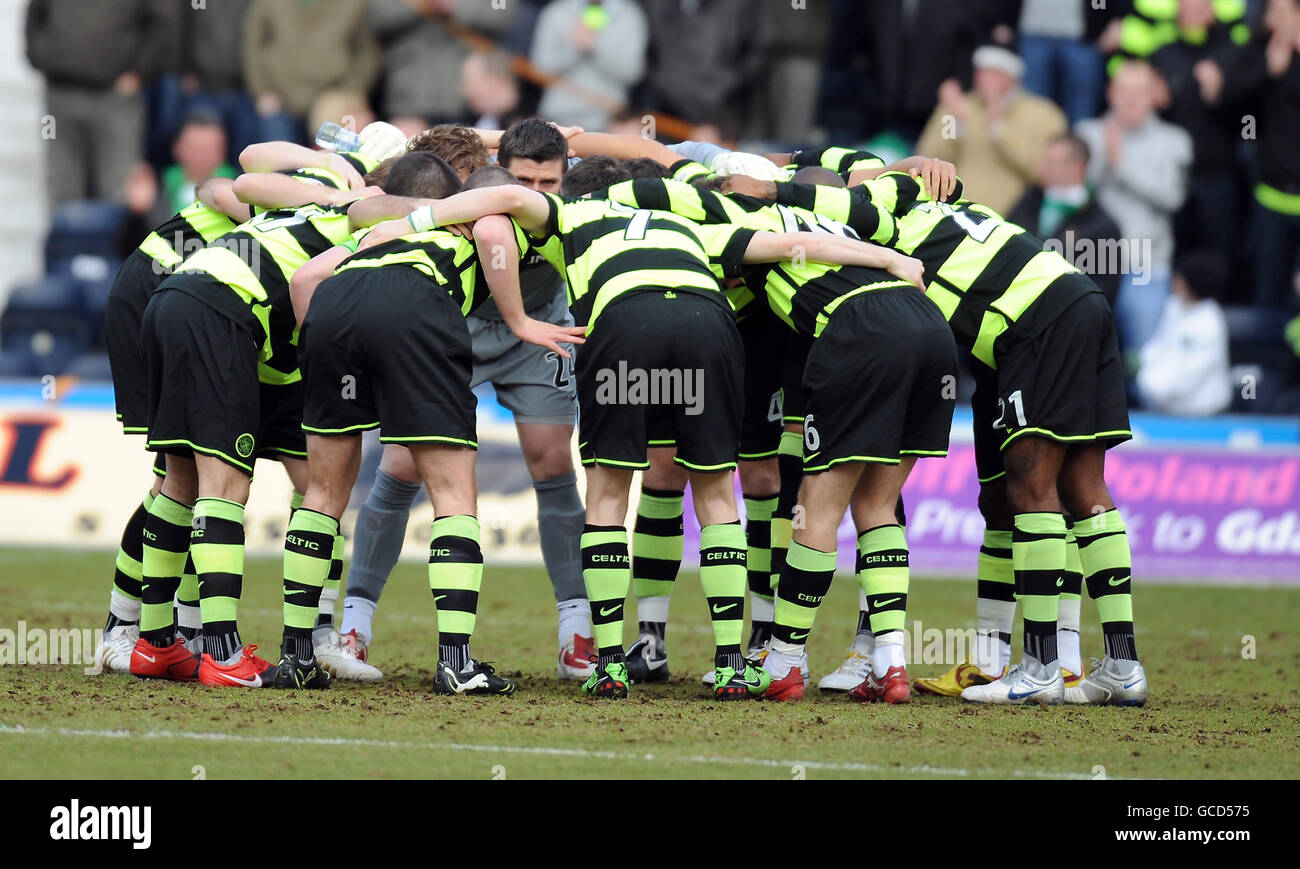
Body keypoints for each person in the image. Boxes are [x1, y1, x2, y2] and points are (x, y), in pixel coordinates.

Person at [374, 158, 920, 700]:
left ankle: (609, 662)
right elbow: (798, 245)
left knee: (610, 490)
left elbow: (502, 211)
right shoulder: (687, 224)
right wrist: (891, 259)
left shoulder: (570, 214)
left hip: (624, 326)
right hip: (706, 324)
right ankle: (731, 663)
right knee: (712, 490)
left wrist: (411, 224)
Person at [735, 167, 1148, 706]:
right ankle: (1122, 663)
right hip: (1078, 297)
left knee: (1032, 493)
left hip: (1030, 322)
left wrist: (770, 189)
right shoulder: (921, 197)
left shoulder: (877, 212)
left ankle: (1043, 666)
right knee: (1085, 491)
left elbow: (843, 204)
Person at [599, 174, 946, 704]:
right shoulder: (833, 217)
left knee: (818, 507)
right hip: (928, 325)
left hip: (859, 331)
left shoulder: (737, 222)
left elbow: (649, 188)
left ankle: (783, 660)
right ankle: (890, 664)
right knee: (878, 505)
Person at [287, 156, 584, 694]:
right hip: (415, 305)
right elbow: (494, 225)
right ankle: (456, 662)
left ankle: (297, 656)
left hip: (335, 307)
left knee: (324, 494)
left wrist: (329, 369)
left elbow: (305, 276)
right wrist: (520, 321)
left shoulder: (382, 230)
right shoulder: (484, 221)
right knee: (452, 492)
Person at [133, 142, 384, 689]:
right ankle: (221, 651)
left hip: (174, 295)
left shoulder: (302, 205)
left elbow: (245, 177)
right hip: (221, 312)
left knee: (179, 479)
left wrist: (333, 176)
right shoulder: (366, 214)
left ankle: (154, 643)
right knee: (224, 489)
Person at [1076, 60, 1193, 352]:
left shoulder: (1175, 140)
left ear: (1154, 95)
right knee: (1085, 357)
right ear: (1109, 93)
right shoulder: (1087, 134)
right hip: (1093, 262)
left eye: (1139, 91)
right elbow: (1074, 194)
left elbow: (1173, 198)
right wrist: (1102, 159)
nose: (1130, 99)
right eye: (1123, 90)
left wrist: (1121, 165)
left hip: (1147, 266)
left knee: (1146, 358)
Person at [25, 0, 179, 207]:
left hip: (116, 97)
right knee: (61, 185)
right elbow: (35, 14)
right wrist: (41, 56)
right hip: (60, 93)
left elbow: (162, 24)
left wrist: (139, 73)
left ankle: (118, 238)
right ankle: (67, 239)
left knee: (119, 187)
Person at [917, 44, 1068, 215]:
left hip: (1012, 218)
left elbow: (1042, 171)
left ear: (1010, 77)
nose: (982, 78)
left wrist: (999, 128)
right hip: (952, 211)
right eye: (980, 71)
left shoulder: (1043, 114)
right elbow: (930, 158)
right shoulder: (956, 107)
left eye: (992, 73)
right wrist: (954, 123)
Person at [1007, 133, 1125, 308]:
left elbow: (1103, 292)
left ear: (1077, 167)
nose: (1042, 168)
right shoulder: (1031, 201)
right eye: (1044, 160)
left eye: (1052, 162)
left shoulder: (1102, 226)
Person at [1136, 252, 1234, 416]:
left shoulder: (1210, 321)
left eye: (1180, 278)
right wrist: (1146, 372)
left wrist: (1158, 387)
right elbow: (1158, 346)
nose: (1175, 282)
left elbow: (1194, 371)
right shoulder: (1173, 307)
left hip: (1203, 412)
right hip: (1165, 407)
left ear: (1193, 283)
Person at [530, 0, 648, 132]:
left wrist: (595, 47)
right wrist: (574, 48)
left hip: (608, 121)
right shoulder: (557, 11)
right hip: (556, 118)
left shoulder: (628, 14)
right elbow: (540, 70)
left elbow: (633, 73)